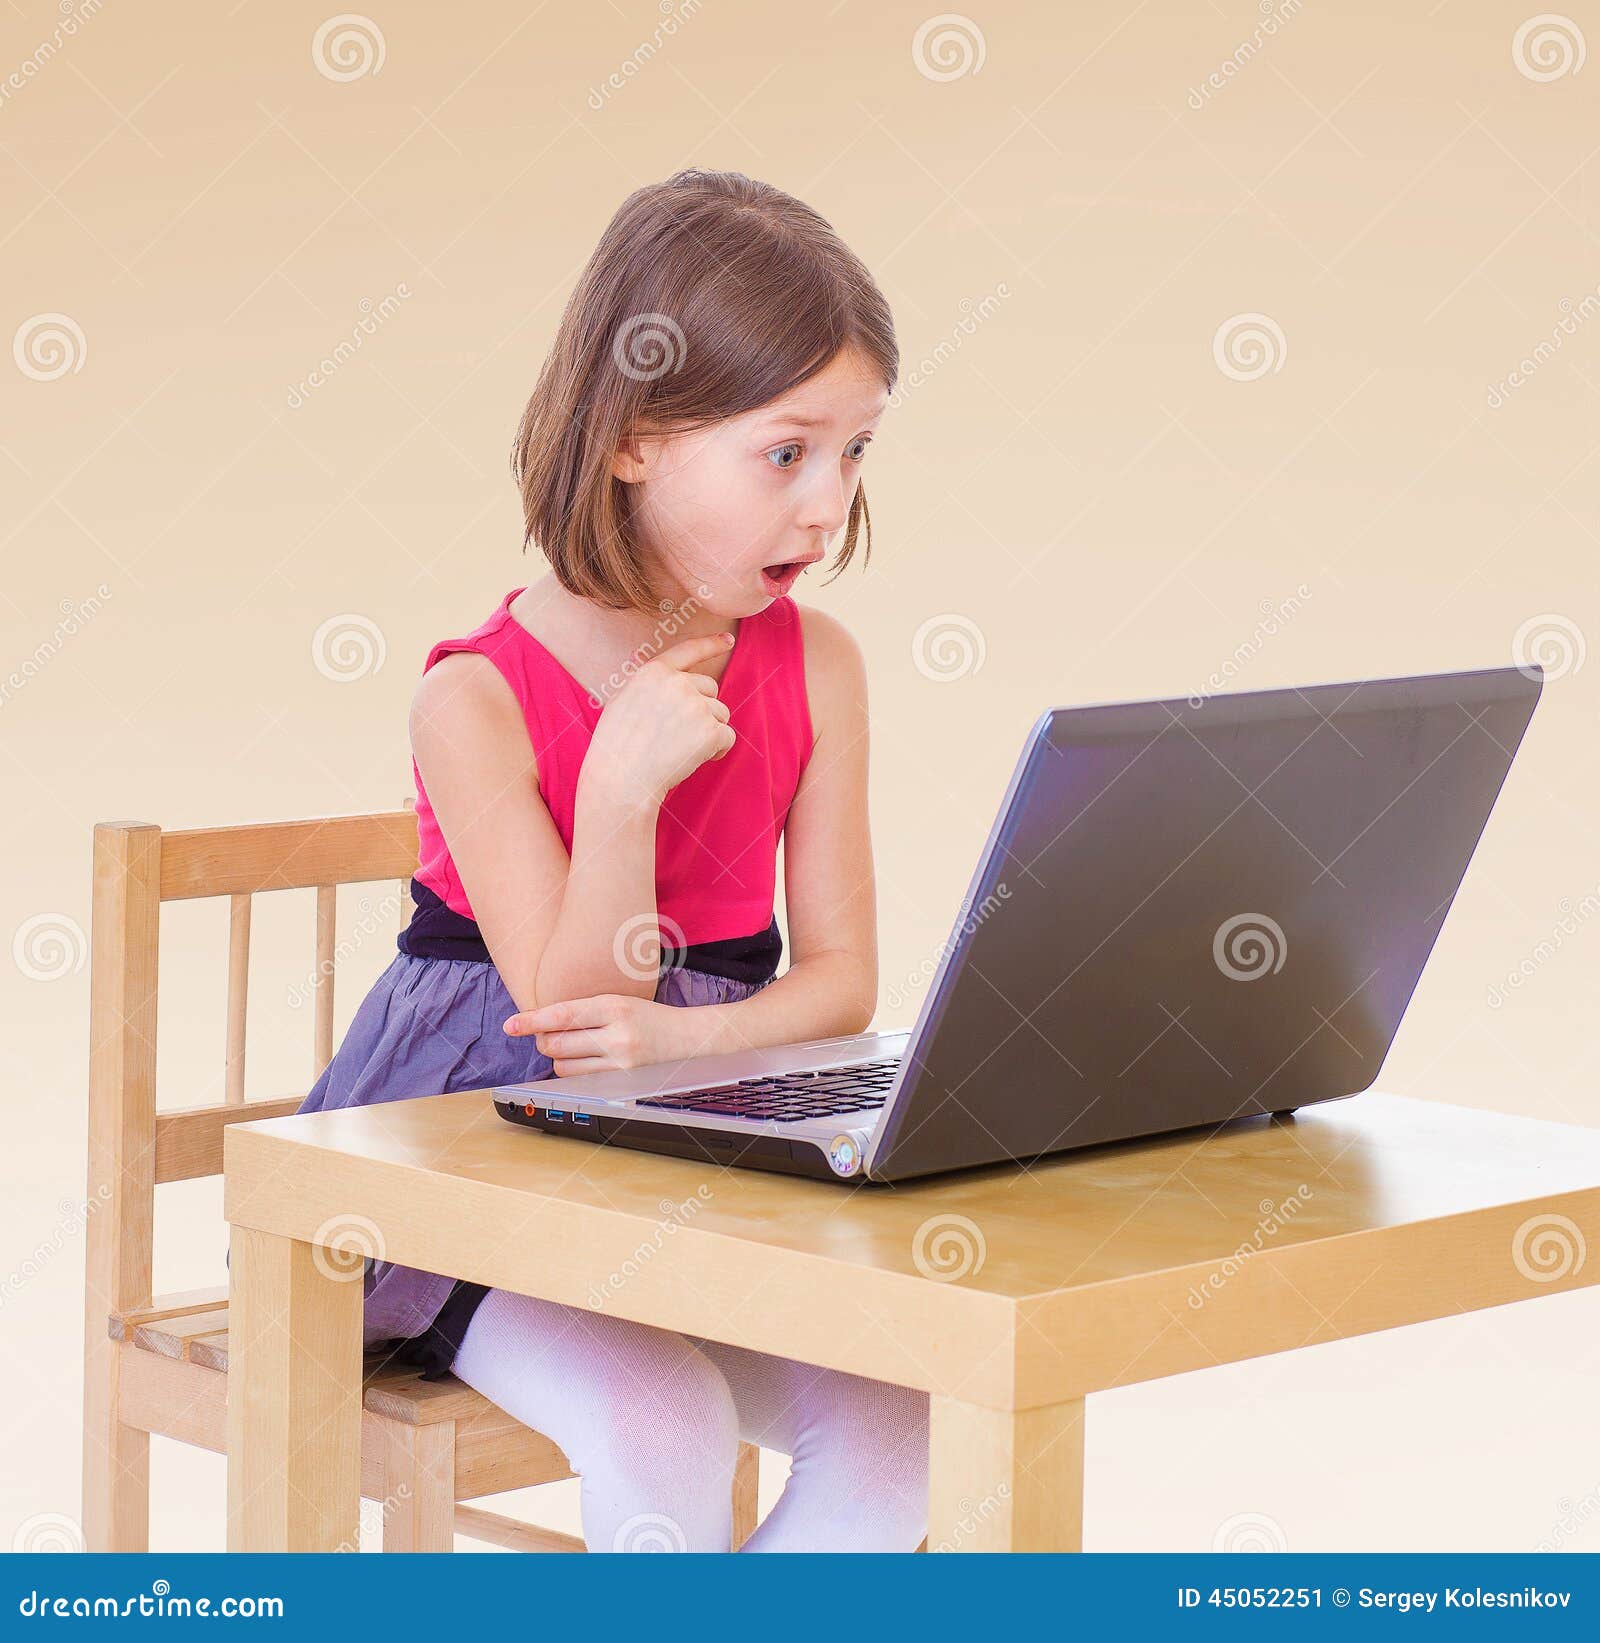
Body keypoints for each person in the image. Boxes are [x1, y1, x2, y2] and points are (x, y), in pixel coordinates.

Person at [294, 168, 927, 1552]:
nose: (827, 508)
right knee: (665, 1428)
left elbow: (842, 980)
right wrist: (622, 790)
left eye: (857, 450)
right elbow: (571, 1022)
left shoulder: (820, 666)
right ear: (634, 437)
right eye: (786, 452)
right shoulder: (472, 701)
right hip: (479, 1190)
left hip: (695, 1163)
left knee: (907, 1428)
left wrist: (691, 1045)